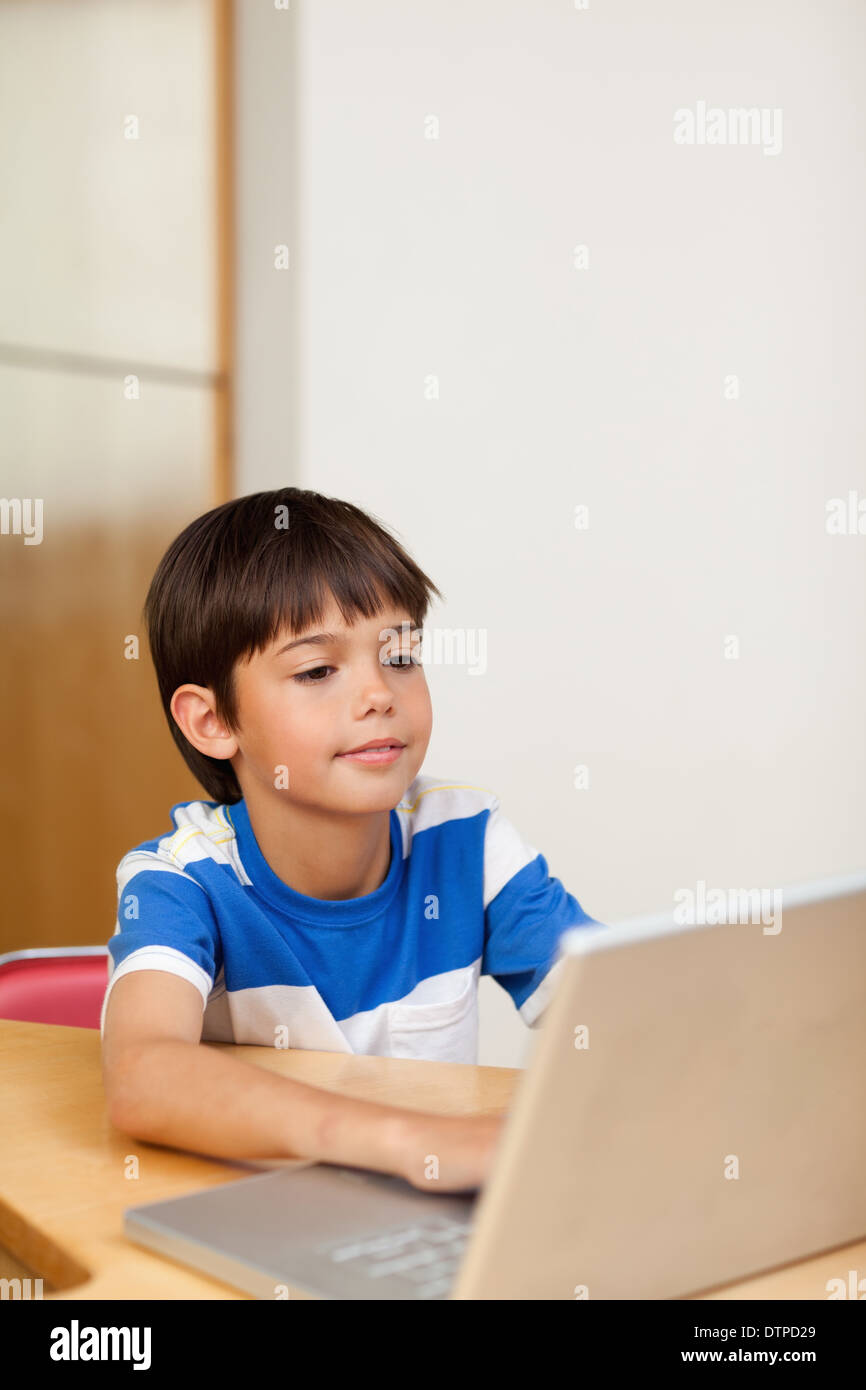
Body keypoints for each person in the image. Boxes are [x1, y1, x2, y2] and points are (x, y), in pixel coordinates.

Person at [101, 487, 601, 1192]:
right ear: (214, 722)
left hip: (425, 1216)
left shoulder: (465, 841)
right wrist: (407, 1141)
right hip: (258, 1211)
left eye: (399, 657)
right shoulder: (184, 880)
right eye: (317, 671)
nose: (378, 695)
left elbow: (622, 1018)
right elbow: (140, 1075)